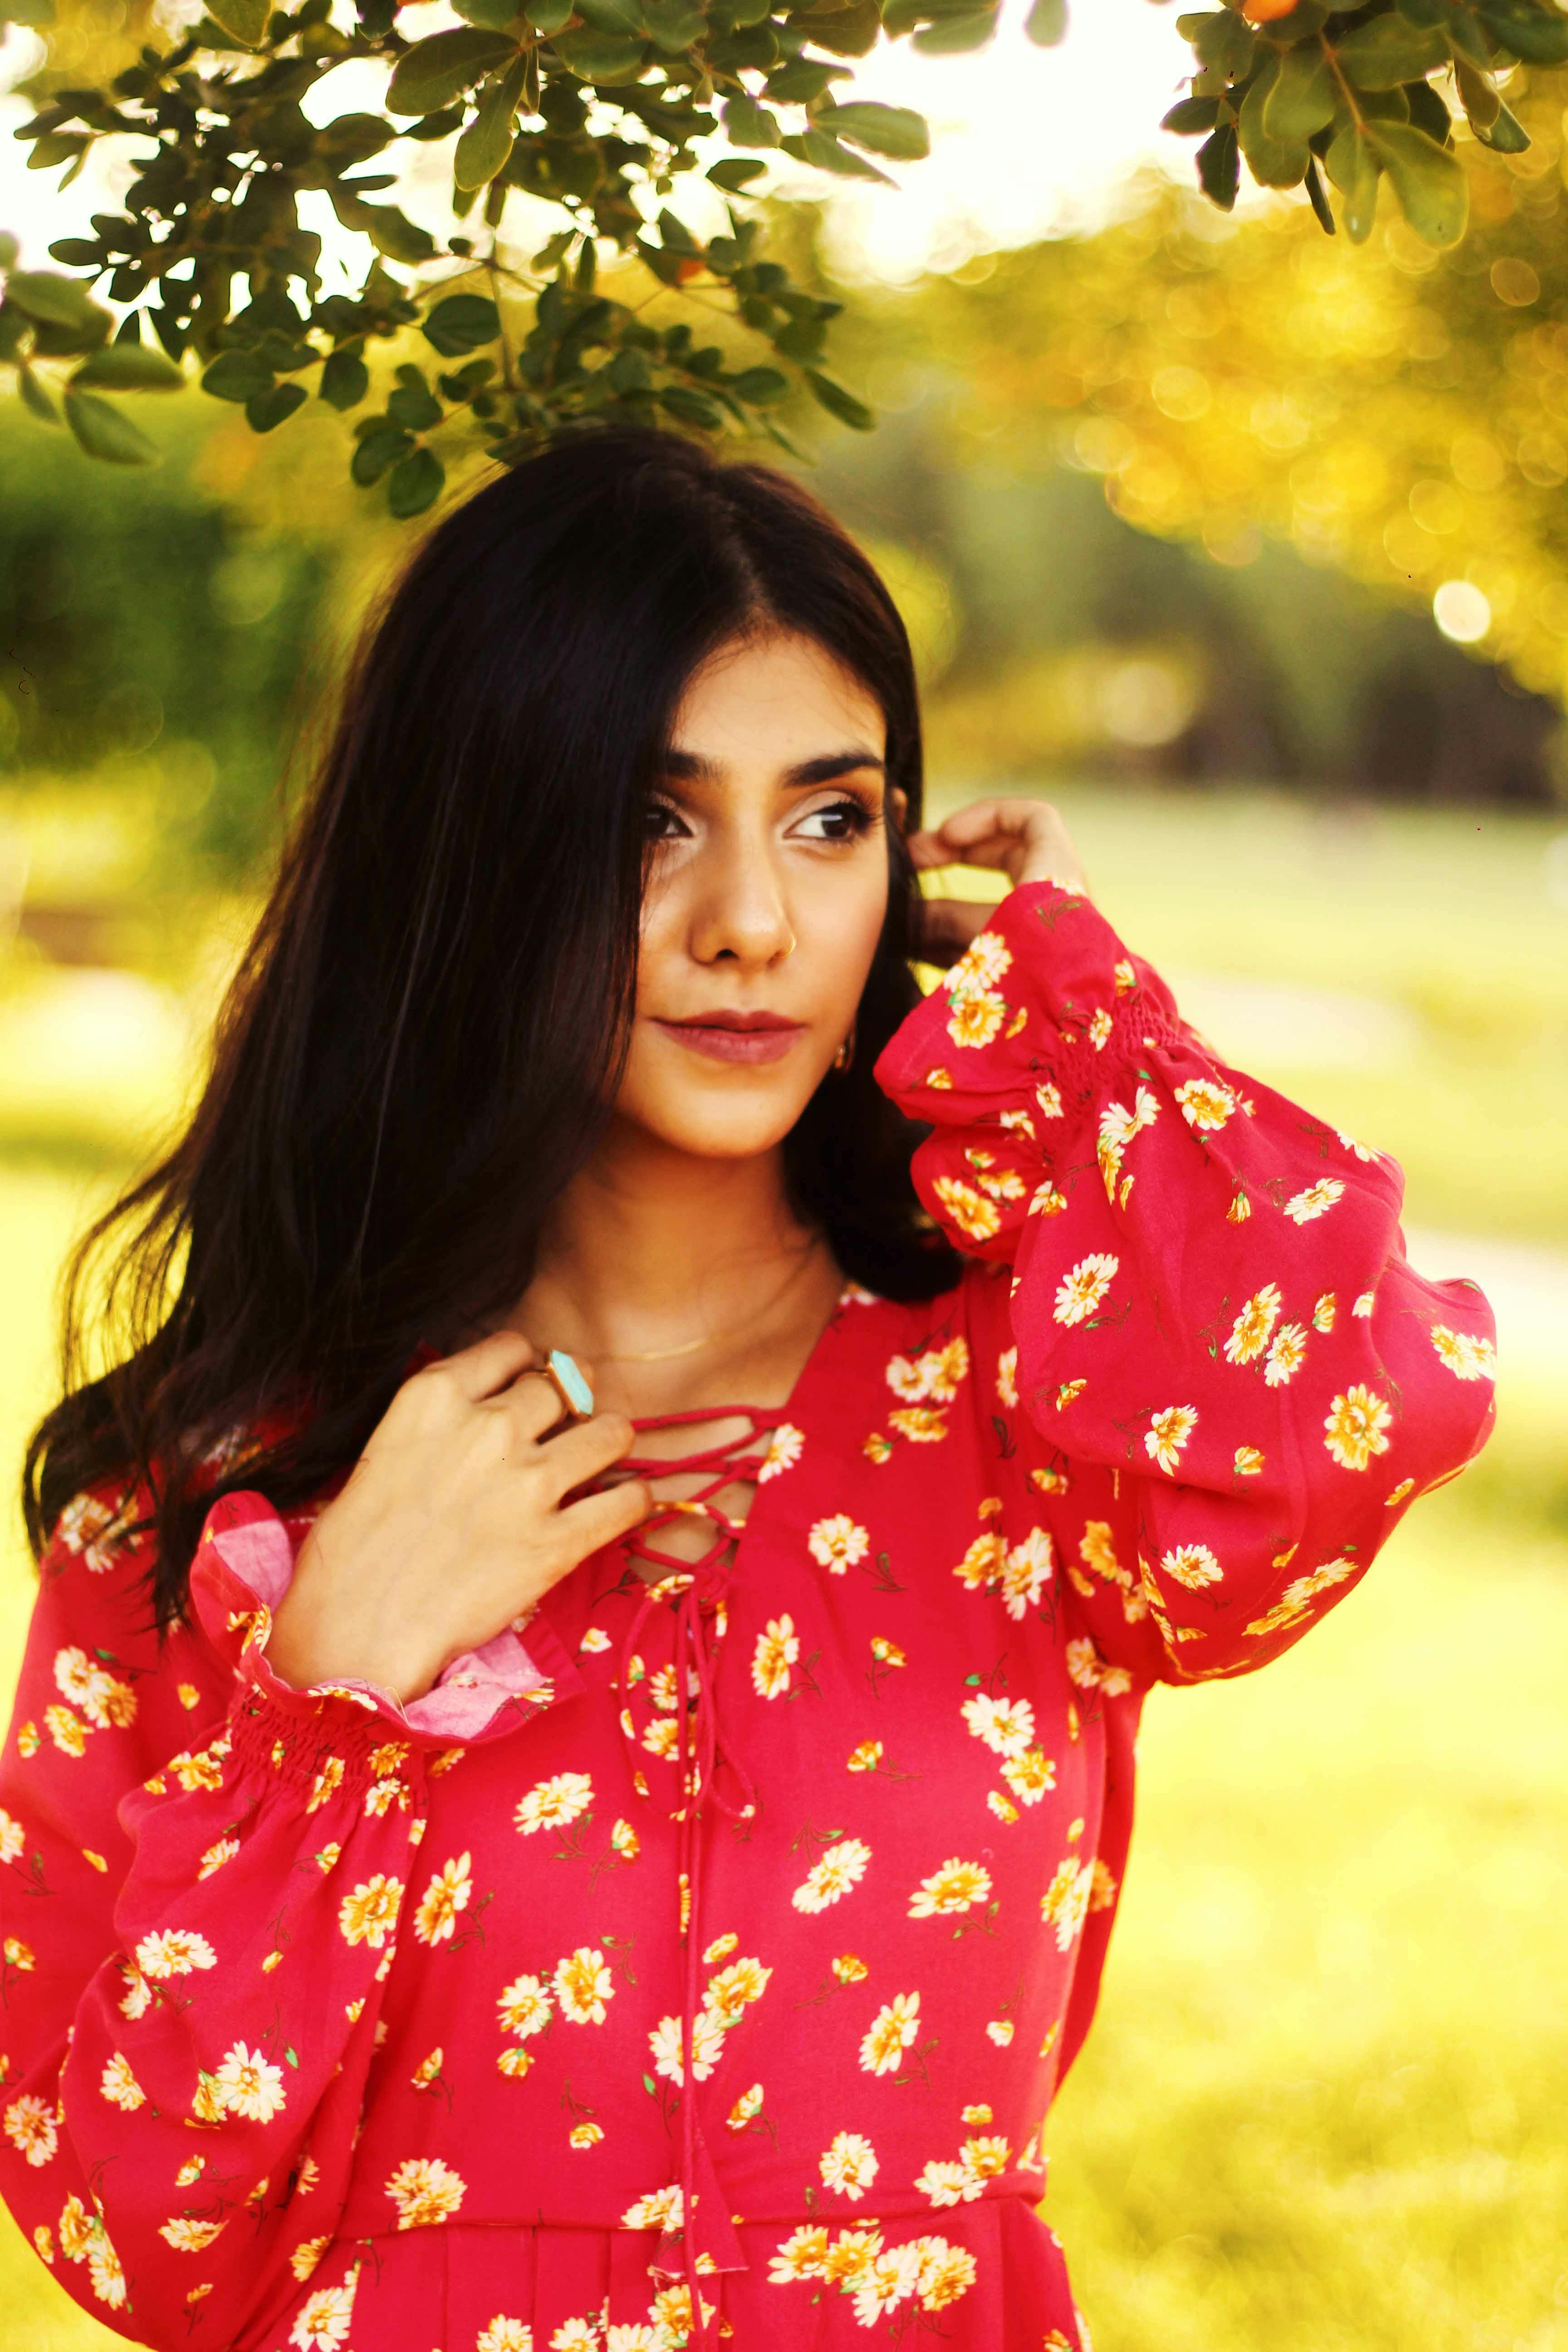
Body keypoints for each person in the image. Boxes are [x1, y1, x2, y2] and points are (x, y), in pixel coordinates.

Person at [0, 430, 1496, 2352]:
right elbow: (137, 2245)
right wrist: (332, 1701)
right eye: (647, 819)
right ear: (473, 846)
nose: (752, 928)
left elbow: (1359, 1410)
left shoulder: (1029, 1411)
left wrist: (1083, 1035)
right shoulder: (226, 1486)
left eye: (828, 818)